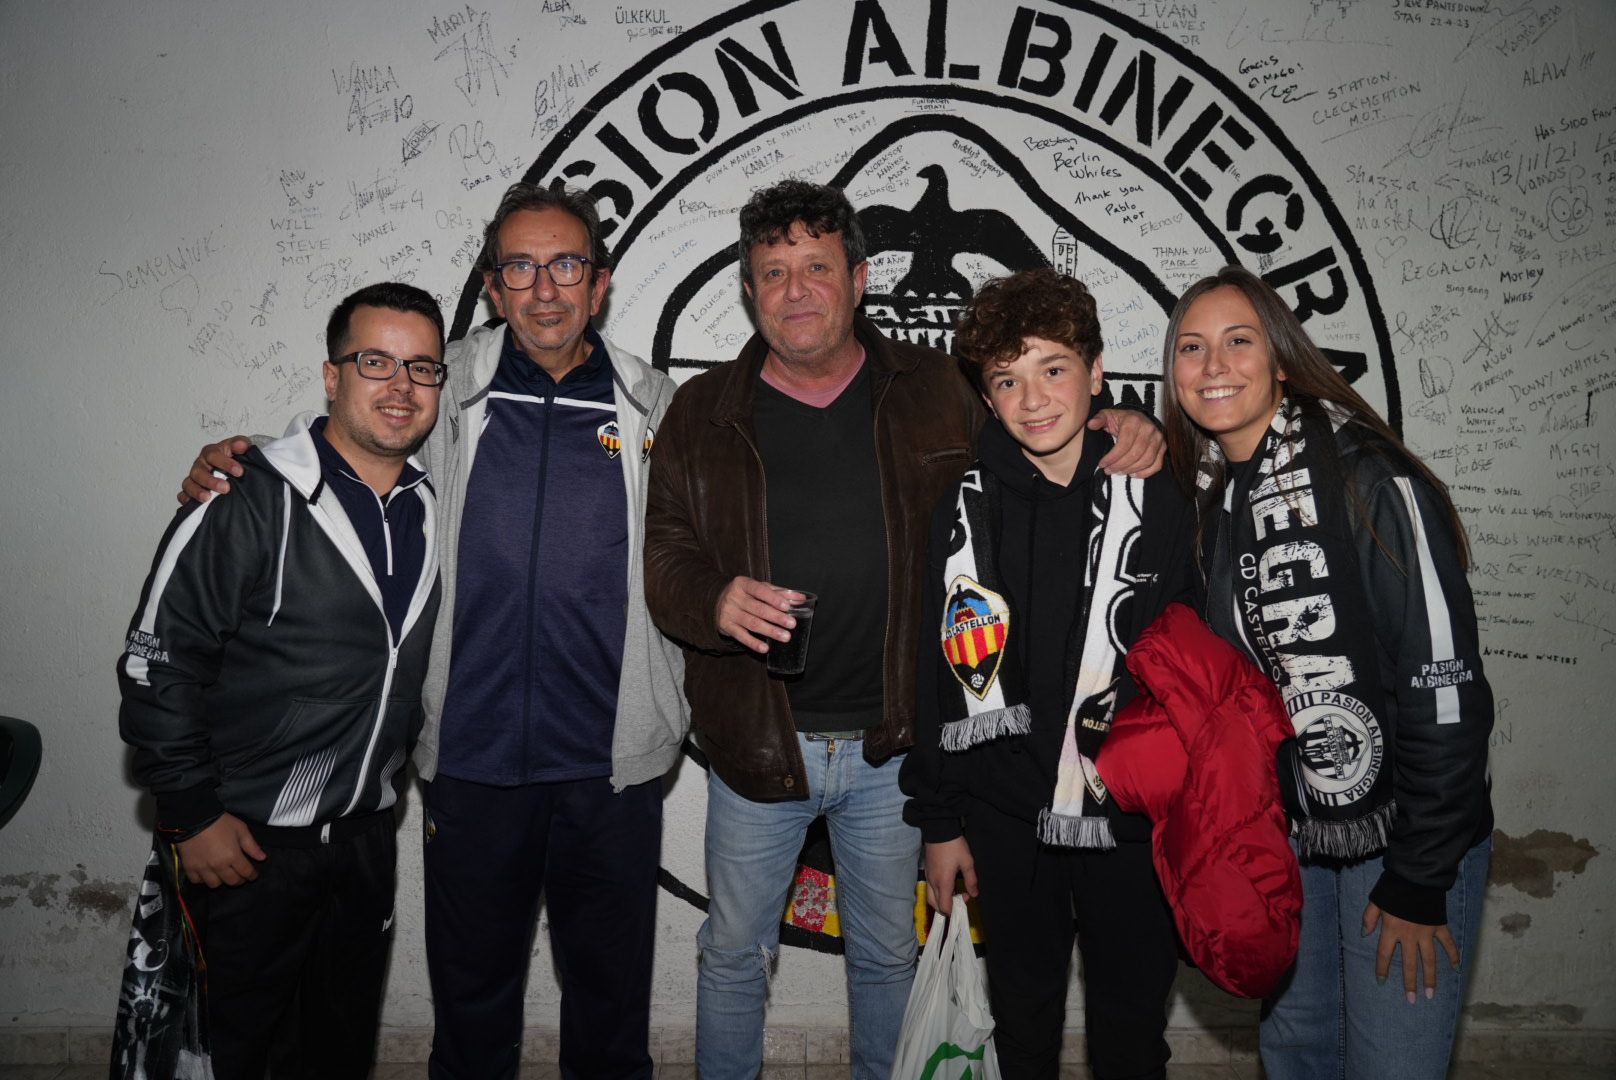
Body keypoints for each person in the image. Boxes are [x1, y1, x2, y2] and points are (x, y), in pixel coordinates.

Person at [643, 181, 1165, 1079]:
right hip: (759, 746)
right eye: (773, 272)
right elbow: (664, 561)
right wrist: (714, 600)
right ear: (748, 289)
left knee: (888, 956)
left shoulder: (940, 390)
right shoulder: (701, 411)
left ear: (860, 277)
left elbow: (1039, 438)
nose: (796, 289)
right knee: (732, 954)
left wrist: (1122, 419)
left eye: (816, 267)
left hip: (896, 748)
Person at [180, 183, 688, 1080]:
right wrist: (241, 462)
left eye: (565, 264)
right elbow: (346, 434)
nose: (544, 289)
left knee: (612, 1018)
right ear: (494, 287)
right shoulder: (445, 388)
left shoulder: (657, 408)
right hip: (472, 761)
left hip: (612, 769)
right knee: (473, 1012)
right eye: (520, 268)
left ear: (598, 283)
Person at [1160, 265, 1493, 1080]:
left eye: (1238, 342)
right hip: (1289, 832)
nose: (1214, 367)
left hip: (1405, 833)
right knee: (1298, 1050)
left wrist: (1419, 880)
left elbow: (1444, 689)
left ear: (1280, 357)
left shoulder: (1369, 478)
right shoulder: (1216, 500)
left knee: (1393, 1064)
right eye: (1192, 348)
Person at [118, 282, 446, 1078]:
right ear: (332, 377)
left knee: (333, 1054)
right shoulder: (245, 495)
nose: (400, 386)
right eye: (375, 361)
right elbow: (157, 660)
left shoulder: (433, 505)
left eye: (423, 368)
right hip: (244, 842)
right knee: (225, 1055)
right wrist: (192, 815)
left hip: (364, 840)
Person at [899, 268, 1194, 1079]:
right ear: (986, 395)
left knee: (1131, 1035)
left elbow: (1194, 673)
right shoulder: (961, 509)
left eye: (1052, 369)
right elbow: (937, 678)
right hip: (1003, 816)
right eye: (1007, 378)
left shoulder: (1160, 493)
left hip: (1127, 820)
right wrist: (939, 820)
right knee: (1021, 1027)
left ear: (1097, 373)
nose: (1032, 399)